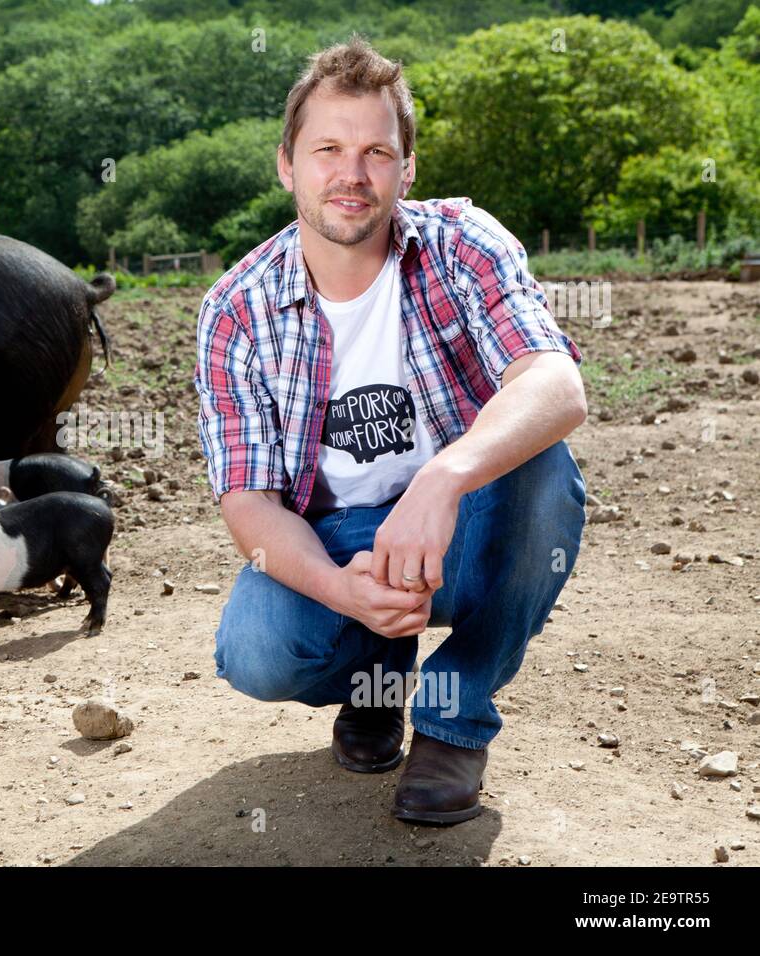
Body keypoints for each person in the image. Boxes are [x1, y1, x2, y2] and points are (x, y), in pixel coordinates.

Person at [193, 36, 588, 825]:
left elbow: (556, 383)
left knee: (546, 474)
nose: (352, 173)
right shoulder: (235, 310)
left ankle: (454, 715)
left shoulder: (463, 243)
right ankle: (375, 676)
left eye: (377, 152)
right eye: (328, 150)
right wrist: (339, 588)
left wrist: (443, 479)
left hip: (463, 525)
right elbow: (249, 503)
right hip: (337, 539)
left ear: (407, 169)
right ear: (287, 165)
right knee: (258, 651)